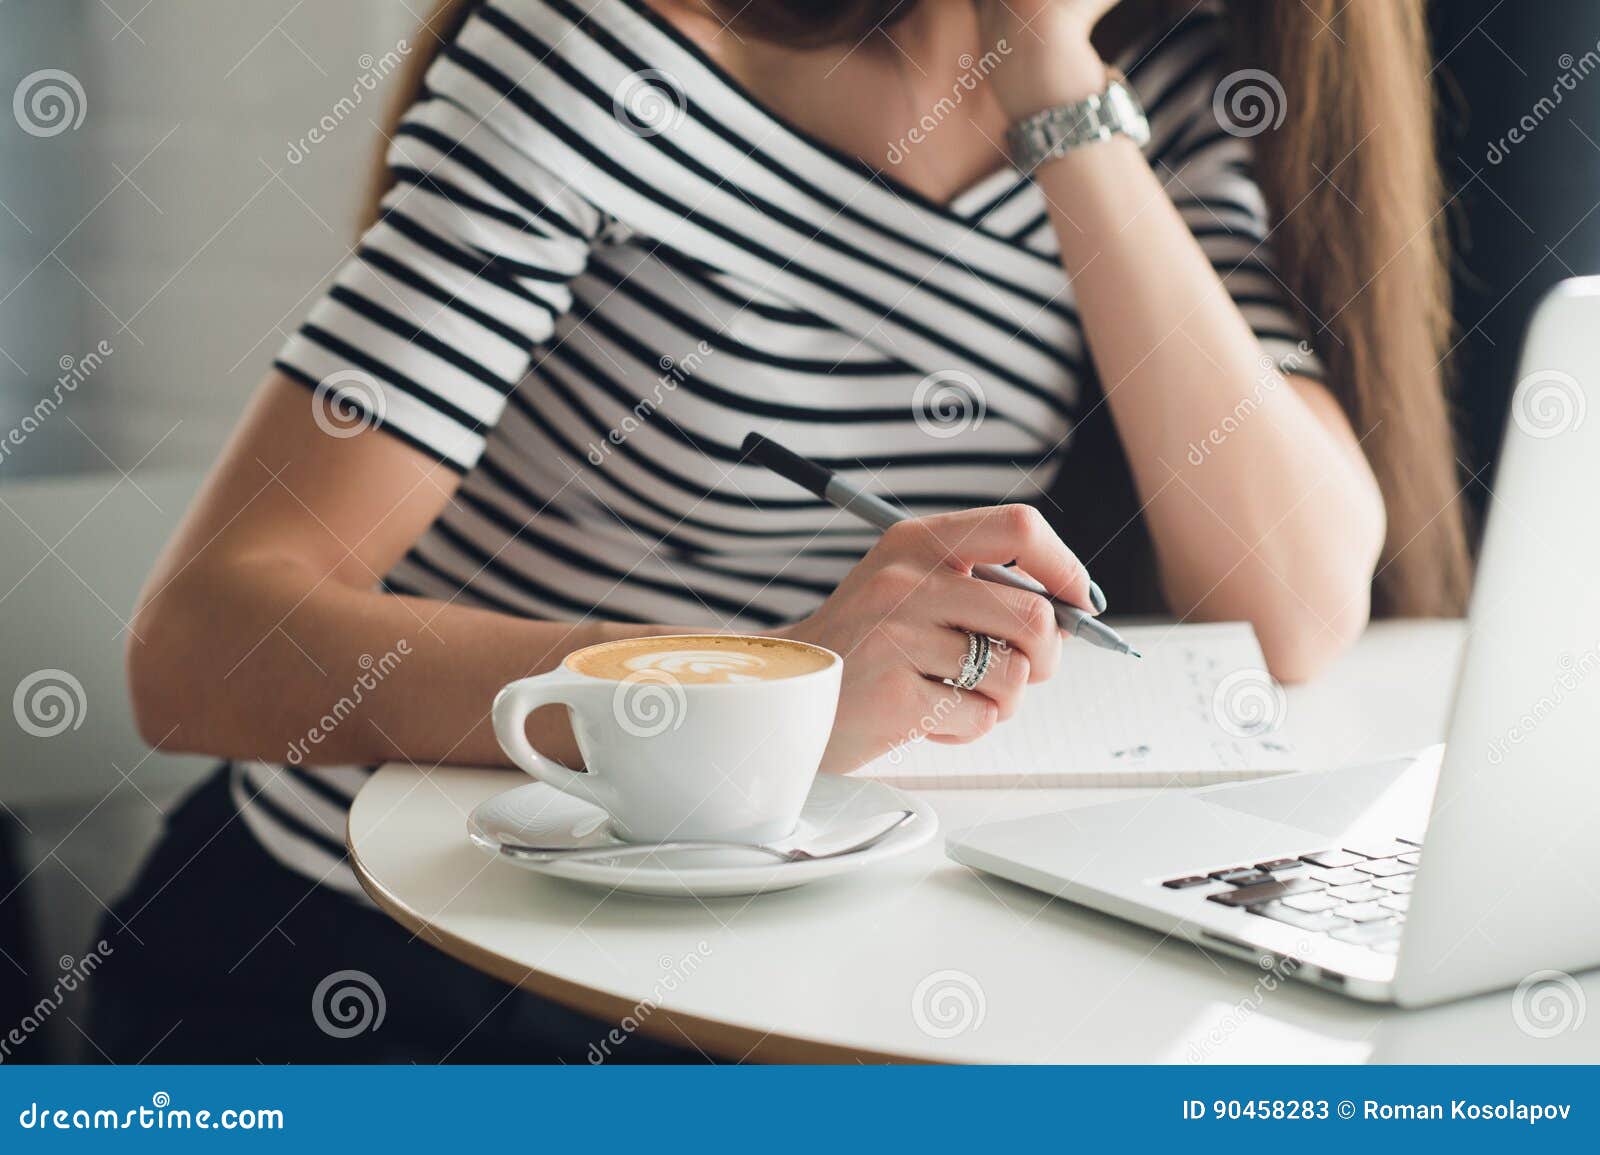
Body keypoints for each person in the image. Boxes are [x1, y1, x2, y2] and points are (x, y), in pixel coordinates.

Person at [91, 0, 1470, 1062]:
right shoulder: (605, 49)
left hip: (762, 966)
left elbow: (1298, 599)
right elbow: (204, 639)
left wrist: (1050, 68)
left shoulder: (1156, 82)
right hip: (378, 959)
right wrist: (758, 691)